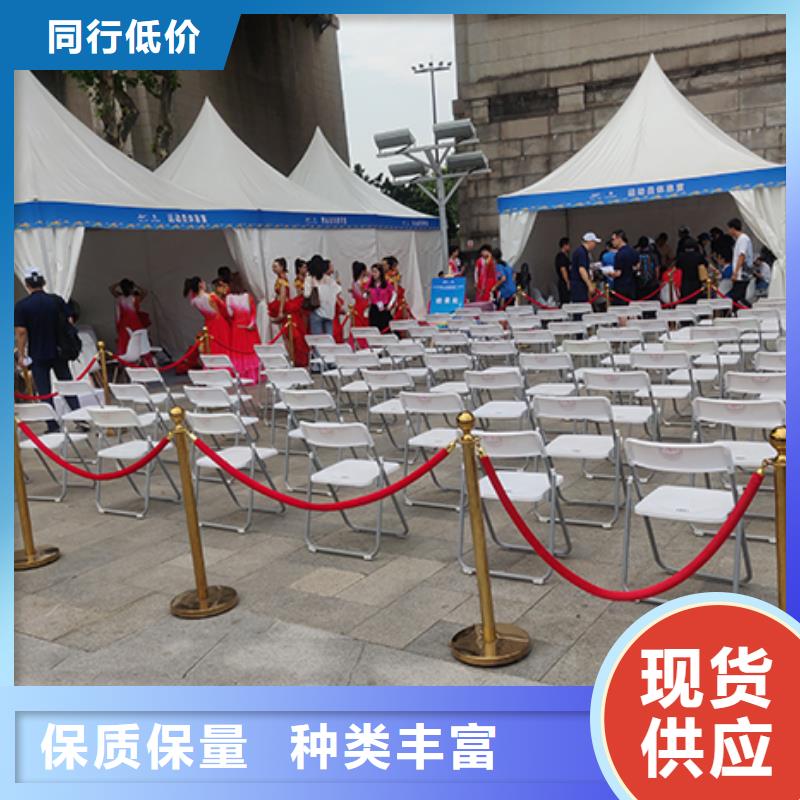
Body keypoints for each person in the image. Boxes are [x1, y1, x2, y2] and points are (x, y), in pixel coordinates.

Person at [14, 269, 82, 430]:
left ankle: (52, 424)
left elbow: (21, 332)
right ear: (43, 283)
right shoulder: (56, 300)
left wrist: (21, 355)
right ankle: (80, 417)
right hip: (59, 350)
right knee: (67, 385)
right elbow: (70, 321)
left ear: (27, 285)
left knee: (44, 390)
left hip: (38, 352)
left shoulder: (22, 306)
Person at [226, 273, 261, 382]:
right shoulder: (248, 296)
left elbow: (230, 314)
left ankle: (240, 375)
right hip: (249, 327)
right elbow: (253, 312)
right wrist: (251, 324)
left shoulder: (229, 298)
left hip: (237, 328)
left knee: (238, 353)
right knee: (250, 352)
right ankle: (253, 375)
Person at [184, 276, 231, 355]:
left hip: (208, 324)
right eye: (203, 282)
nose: (205, 283)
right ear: (200, 284)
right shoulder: (211, 296)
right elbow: (225, 308)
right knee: (224, 344)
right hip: (219, 323)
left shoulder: (194, 301)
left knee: (211, 346)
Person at [108, 278, 150, 355]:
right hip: (135, 323)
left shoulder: (119, 297)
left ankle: (125, 359)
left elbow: (111, 288)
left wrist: (119, 283)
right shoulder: (134, 298)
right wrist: (135, 285)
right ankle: (139, 356)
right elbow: (145, 292)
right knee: (139, 342)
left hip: (123, 324)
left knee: (124, 344)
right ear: (131, 288)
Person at [304, 254, 342, 337]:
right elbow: (338, 290)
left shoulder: (309, 279)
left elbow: (306, 294)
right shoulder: (328, 279)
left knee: (318, 340)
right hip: (329, 312)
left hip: (316, 311)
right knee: (329, 339)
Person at [728, 217, 754, 309]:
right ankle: (737, 312)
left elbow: (741, 256)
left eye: (729, 229)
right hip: (740, 274)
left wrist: (735, 272)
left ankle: (750, 309)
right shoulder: (740, 239)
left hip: (742, 274)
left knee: (737, 297)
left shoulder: (743, 239)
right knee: (737, 297)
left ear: (733, 228)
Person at [608, 230, 639, 303]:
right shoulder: (634, 251)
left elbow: (618, 273)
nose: (612, 242)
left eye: (613, 239)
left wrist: (609, 273)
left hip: (621, 287)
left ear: (619, 238)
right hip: (632, 285)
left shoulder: (620, 254)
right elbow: (637, 266)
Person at [675, 235, 707, 304]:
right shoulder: (698, 256)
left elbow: (677, 266)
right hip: (696, 281)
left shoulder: (681, 256)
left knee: (685, 300)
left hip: (685, 281)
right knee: (696, 300)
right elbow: (705, 265)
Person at [569, 232, 601, 302]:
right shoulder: (582, 253)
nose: (595, 245)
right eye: (594, 242)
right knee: (581, 305)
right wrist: (589, 285)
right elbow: (582, 269)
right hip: (579, 285)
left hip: (578, 284)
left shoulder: (581, 251)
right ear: (590, 242)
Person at [367, 263, 396, 331]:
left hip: (384, 309)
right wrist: (367, 296)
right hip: (374, 309)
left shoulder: (386, 283)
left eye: (375, 272)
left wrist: (390, 305)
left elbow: (394, 294)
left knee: (385, 328)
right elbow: (366, 293)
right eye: (372, 272)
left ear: (380, 273)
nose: (373, 274)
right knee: (374, 329)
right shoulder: (370, 284)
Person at [554, 237, 571, 304]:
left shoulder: (564, 256)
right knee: (565, 300)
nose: (569, 247)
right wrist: (567, 281)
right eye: (568, 245)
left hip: (564, 282)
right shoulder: (561, 256)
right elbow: (563, 269)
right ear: (564, 246)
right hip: (563, 283)